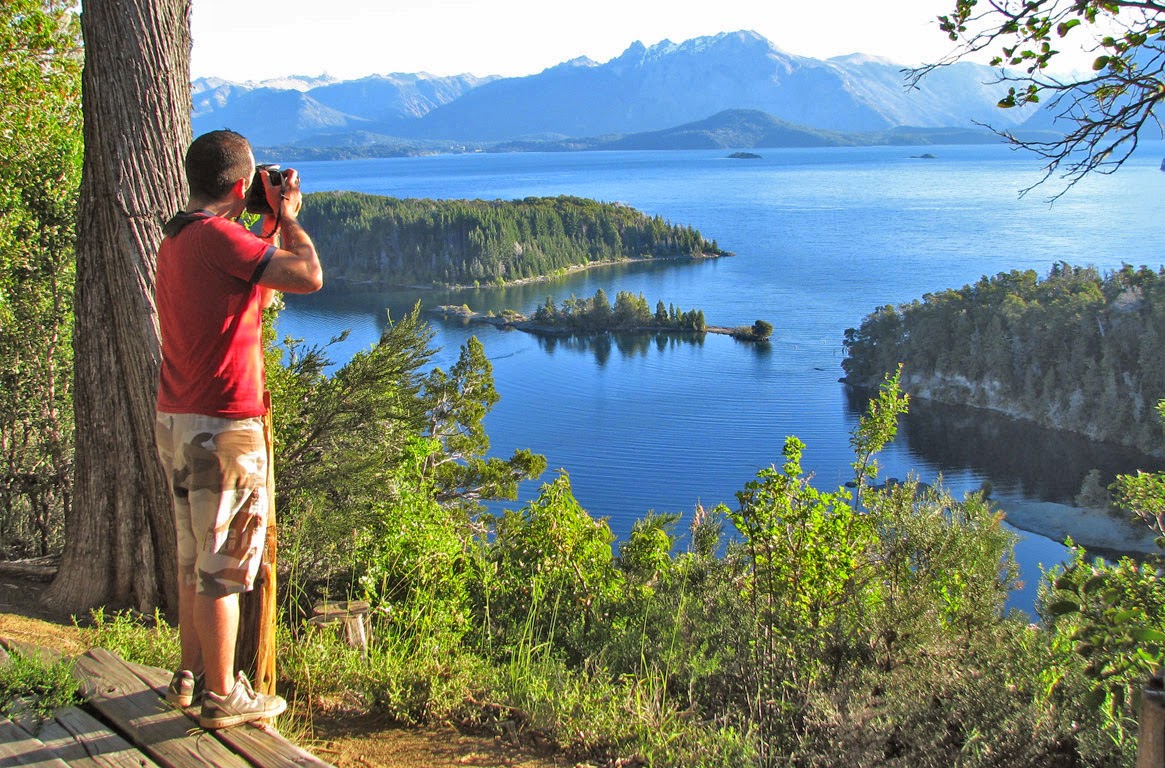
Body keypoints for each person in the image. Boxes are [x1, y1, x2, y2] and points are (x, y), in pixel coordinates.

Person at [154, 129, 323, 729]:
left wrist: (265, 219)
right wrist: (290, 216)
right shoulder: (218, 238)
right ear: (237, 185)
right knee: (223, 565)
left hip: (178, 418)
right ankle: (224, 696)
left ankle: (189, 677)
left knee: (194, 556)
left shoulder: (180, 235)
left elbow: (247, 266)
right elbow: (306, 276)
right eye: (252, 182)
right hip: (223, 426)